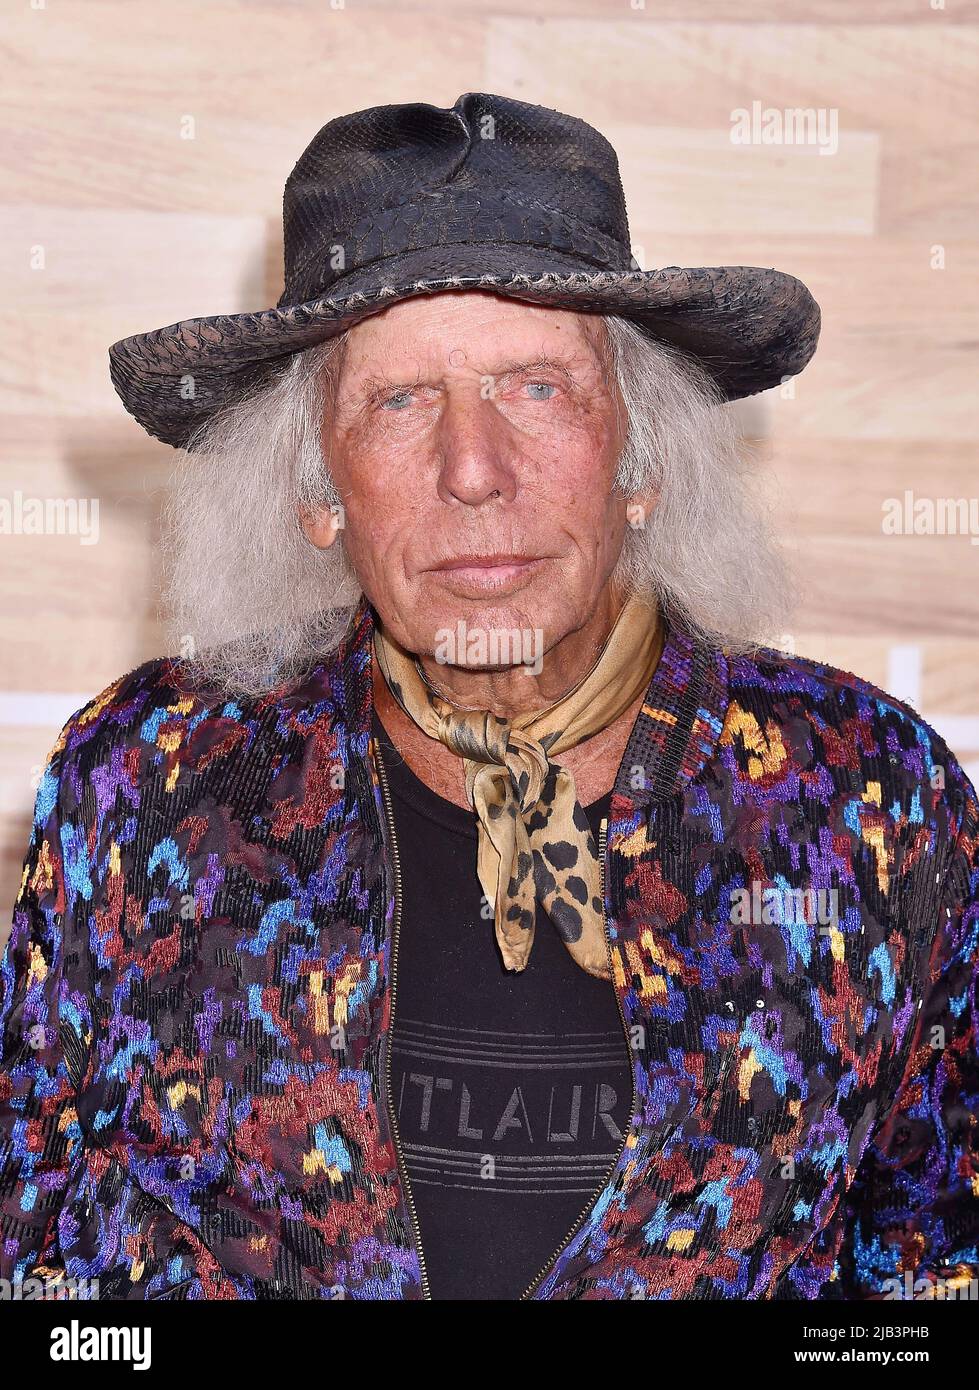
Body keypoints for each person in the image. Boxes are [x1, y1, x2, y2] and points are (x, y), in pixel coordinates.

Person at [2, 92, 976, 1302]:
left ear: (641, 457)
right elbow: (41, 1271)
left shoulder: (868, 797)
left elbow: (936, 1273)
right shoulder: (146, 780)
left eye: (535, 386)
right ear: (320, 490)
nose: (472, 470)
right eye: (399, 401)